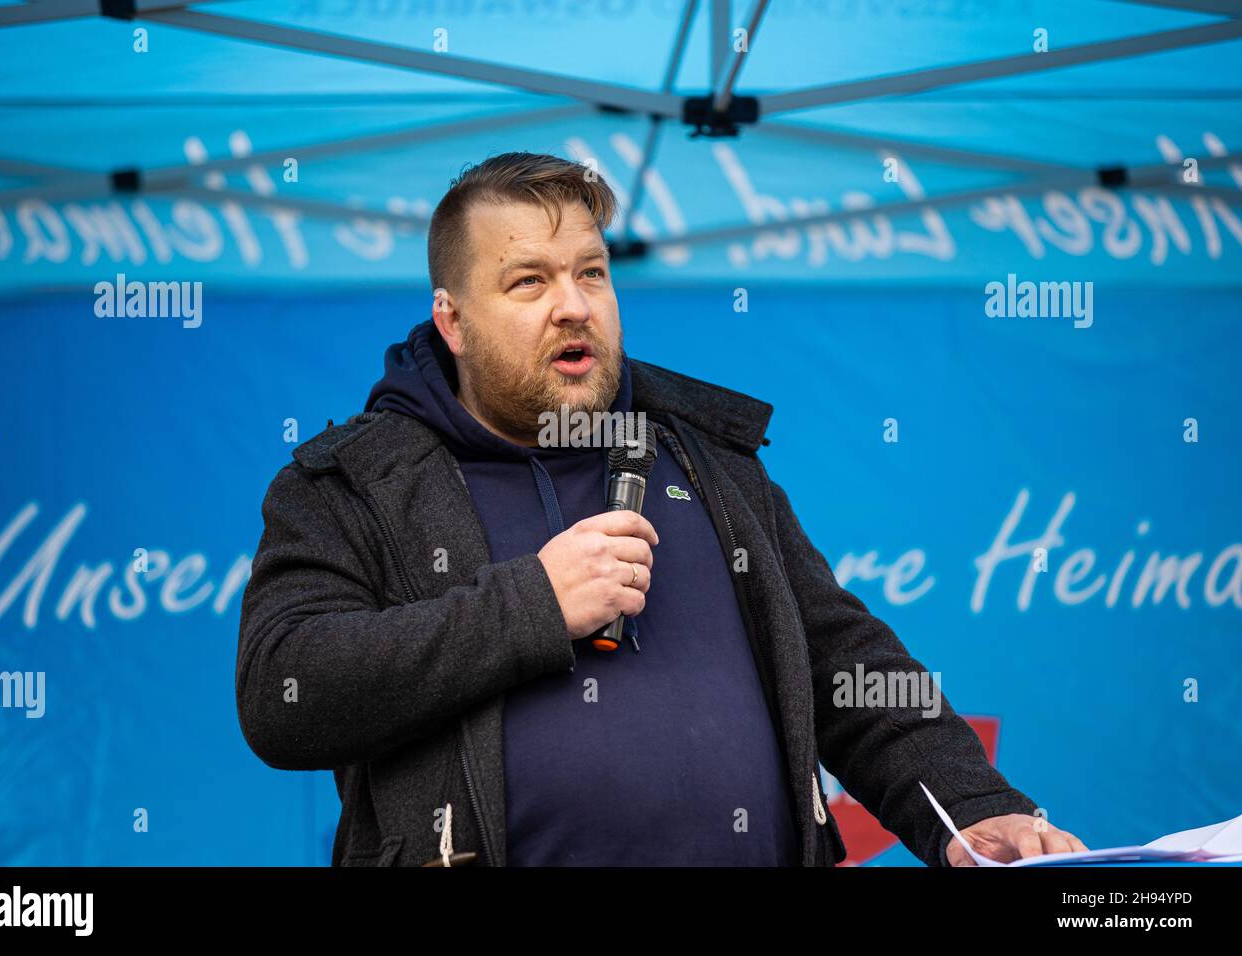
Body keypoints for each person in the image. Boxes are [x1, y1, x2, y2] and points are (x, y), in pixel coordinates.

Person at [236, 150, 1086, 867]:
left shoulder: (704, 456)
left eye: (591, 274)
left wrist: (973, 810)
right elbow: (285, 691)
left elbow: (844, 665)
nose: (573, 304)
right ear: (452, 322)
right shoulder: (351, 484)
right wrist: (532, 603)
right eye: (528, 281)